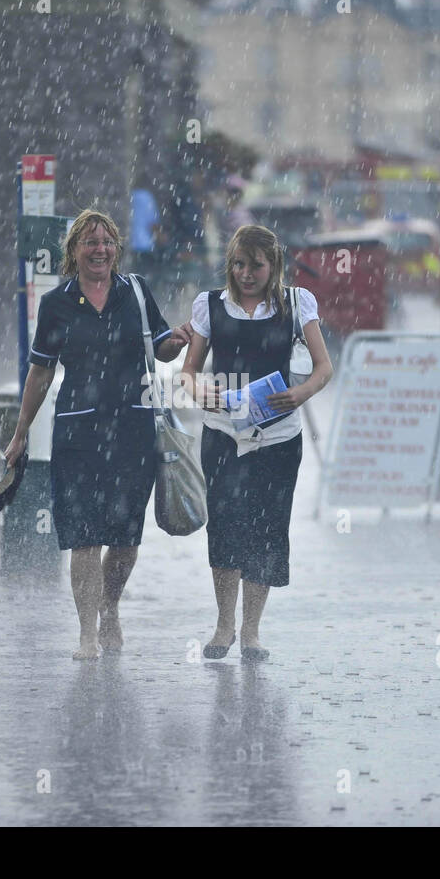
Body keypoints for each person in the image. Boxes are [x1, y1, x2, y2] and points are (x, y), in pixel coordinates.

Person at [4, 209, 190, 660]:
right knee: (84, 536)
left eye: (107, 241)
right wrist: (21, 432)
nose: (100, 249)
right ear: (74, 252)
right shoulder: (57, 303)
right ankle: (88, 631)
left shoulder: (137, 292)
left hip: (133, 429)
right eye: (90, 242)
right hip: (78, 432)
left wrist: (179, 340)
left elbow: (159, 345)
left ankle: (110, 607)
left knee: (125, 540)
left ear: (117, 249)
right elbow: (41, 372)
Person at [177, 225, 332, 662]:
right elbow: (188, 371)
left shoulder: (299, 303)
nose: (246, 273)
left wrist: (300, 394)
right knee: (225, 526)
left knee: (267, 530)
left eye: (256, 265)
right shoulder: (209, 305)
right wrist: (198, 389)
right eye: (239, 264)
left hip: (280, 437)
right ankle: (224, 625)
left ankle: (252, 631)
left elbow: (324, 368)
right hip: (223, 434)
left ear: (273, 265)